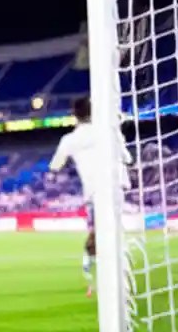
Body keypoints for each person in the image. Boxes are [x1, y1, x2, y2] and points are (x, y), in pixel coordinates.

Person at [48, 96, 131, 295]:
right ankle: (119, 278)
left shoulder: (69, 140)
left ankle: (96, 279)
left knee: (97, 237)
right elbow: (127, 158)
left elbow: (55, 166)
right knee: (113, 234)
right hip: (117, 187)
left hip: (95, 192)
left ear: (74, 115)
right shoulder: (109, 132)